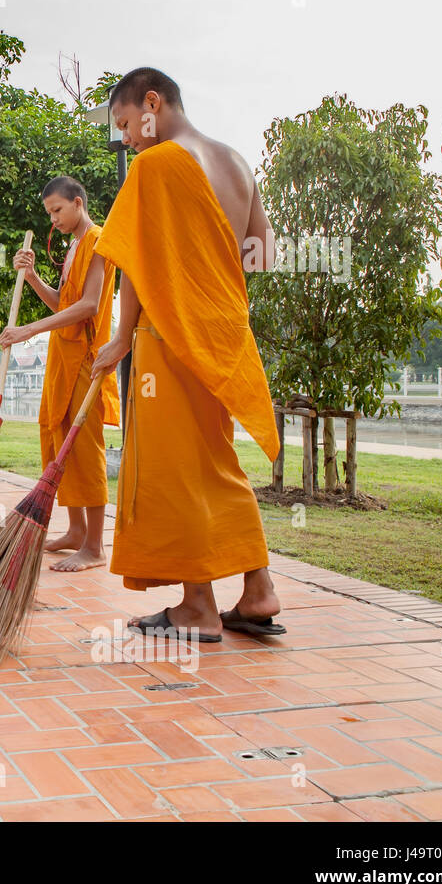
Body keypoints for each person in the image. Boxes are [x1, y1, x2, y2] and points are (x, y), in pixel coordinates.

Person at [89, 67, 285, 643]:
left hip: (170, 336)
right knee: (215, 460)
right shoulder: (237, 162)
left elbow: (133, 259)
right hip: (223, 336)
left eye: (125, 123)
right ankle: (257, 591)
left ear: (152, 103)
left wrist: (123, 336)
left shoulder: (155, 164)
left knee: (176, 467)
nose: (126, 138)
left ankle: (197, 607)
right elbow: (261, 257)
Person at [1, 176, 121, 572]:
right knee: (58, 439)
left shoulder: (100, 240)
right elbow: (60, 303)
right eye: (49, 213)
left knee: (85, 448)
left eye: (57, 210)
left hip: (88, 358)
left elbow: (88, 306)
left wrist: (29, 330)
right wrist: (33, 276)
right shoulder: (71, 249)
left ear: (78, 202)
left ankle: (94, 546)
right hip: (61, 359)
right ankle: (73, 530)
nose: (53, 220)